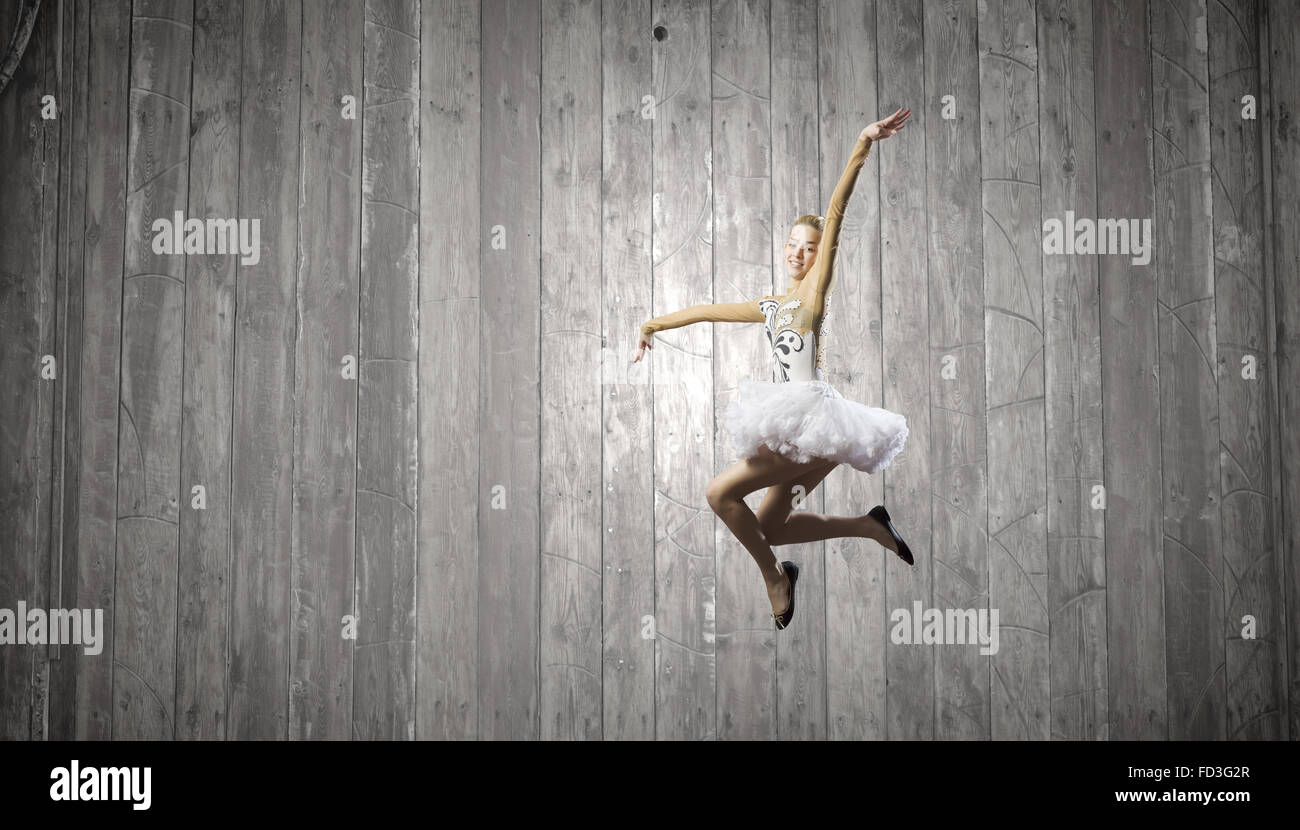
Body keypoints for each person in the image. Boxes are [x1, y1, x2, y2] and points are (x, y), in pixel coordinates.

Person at [633, 108, 915, 631]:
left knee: (720, 495)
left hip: (811, 420)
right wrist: (652, 324)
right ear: (783, 250)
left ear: (817, 258)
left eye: (808, 249)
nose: (799, 254)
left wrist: (862, 143)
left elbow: (836, 213)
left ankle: (776, 580)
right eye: (792, 246)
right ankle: (870, 525)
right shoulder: (770, 306)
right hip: (794, 423)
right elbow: (708, 311)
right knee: (769, 527)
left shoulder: (814, 291)